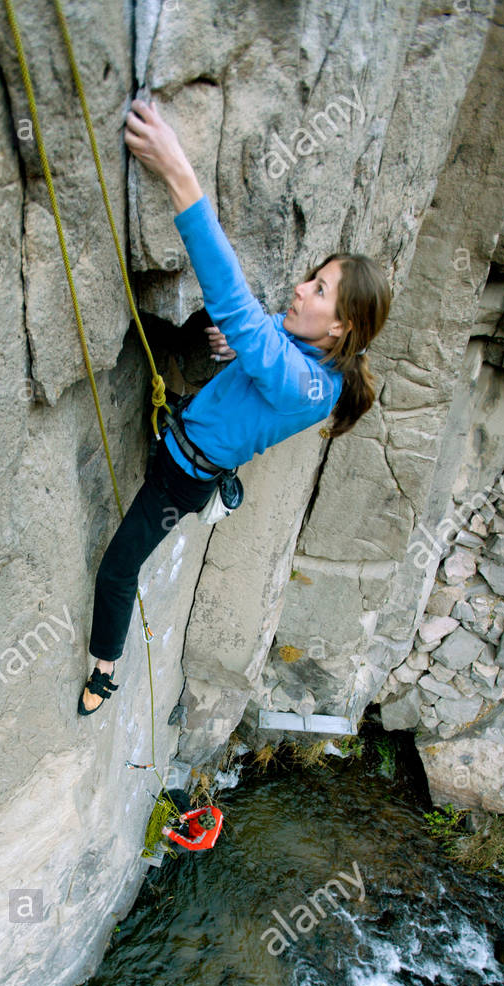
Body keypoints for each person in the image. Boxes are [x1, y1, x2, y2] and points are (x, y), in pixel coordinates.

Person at [79, 97, 391, 716]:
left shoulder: (311, 387)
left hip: (180, 481)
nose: (301, 289)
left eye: (319, 290)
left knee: (116, 571)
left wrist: (179, 176)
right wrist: (244, 346)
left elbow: (241, 312)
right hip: (182, 444)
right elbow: (261, 336)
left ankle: (104, 668)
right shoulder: (307, 355)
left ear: (341, 325)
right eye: (312, 277)